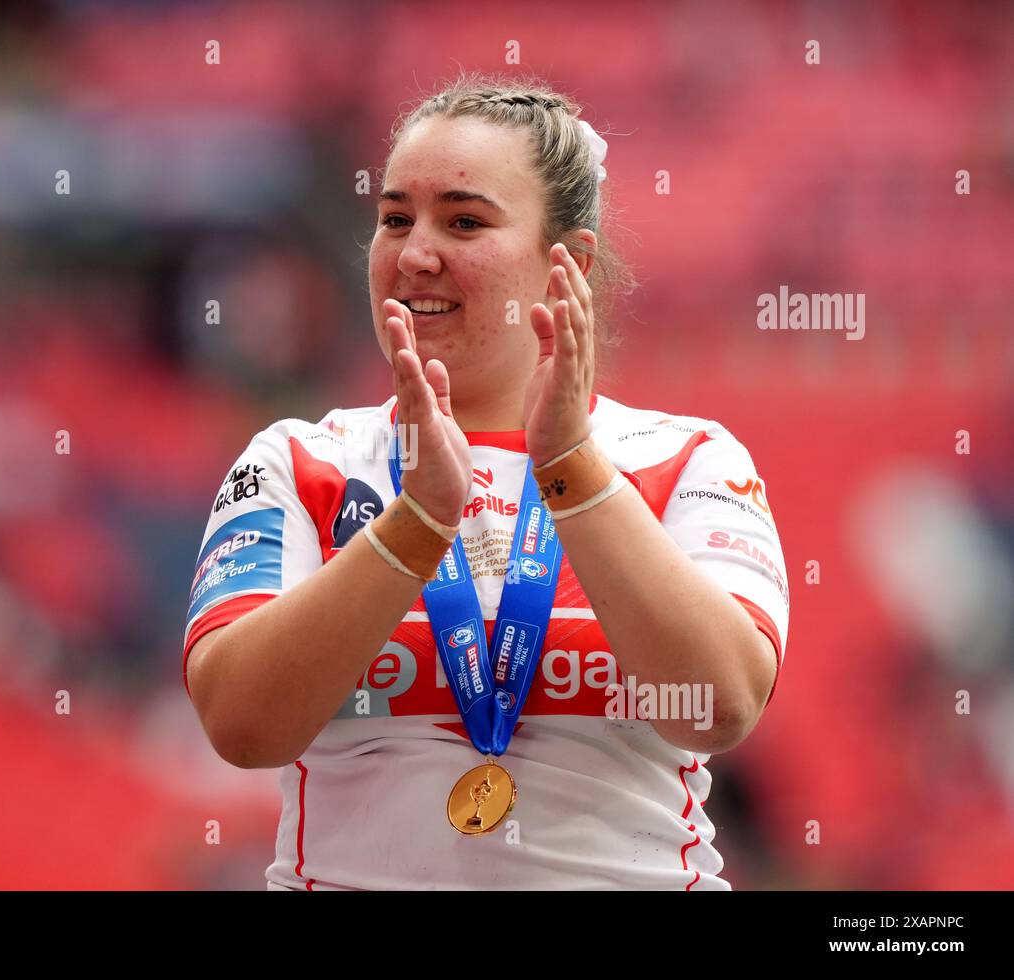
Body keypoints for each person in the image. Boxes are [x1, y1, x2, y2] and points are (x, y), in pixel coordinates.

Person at [181, 74, 789, 890]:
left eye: (464, 221)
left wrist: (572, 471)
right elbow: (242, 726)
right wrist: (416, 523)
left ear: (568, 264)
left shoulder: (689, 459)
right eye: (395, 219)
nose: (415, 254)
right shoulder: (300, 460)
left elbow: (718, 707)